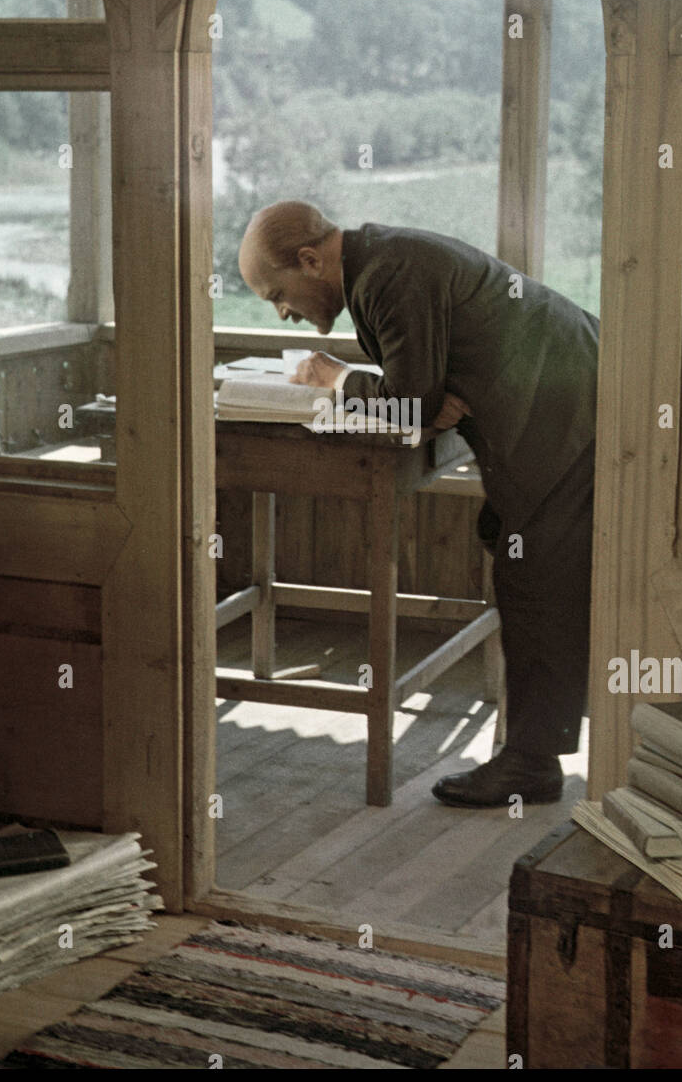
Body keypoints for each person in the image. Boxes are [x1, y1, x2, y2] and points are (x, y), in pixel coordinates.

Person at [238, 200, 598, 808]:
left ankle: (533, 763)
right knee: (527, 574)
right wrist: (424, 395)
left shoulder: (386, 273)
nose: (284, 313)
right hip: (562, 408)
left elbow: (412, 404)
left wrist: (337, 379)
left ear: (309, 260)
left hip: (570, 416)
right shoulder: (382, 261)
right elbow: (423, 395)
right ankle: (535, 758)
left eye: (279, 293)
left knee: (537, 583)